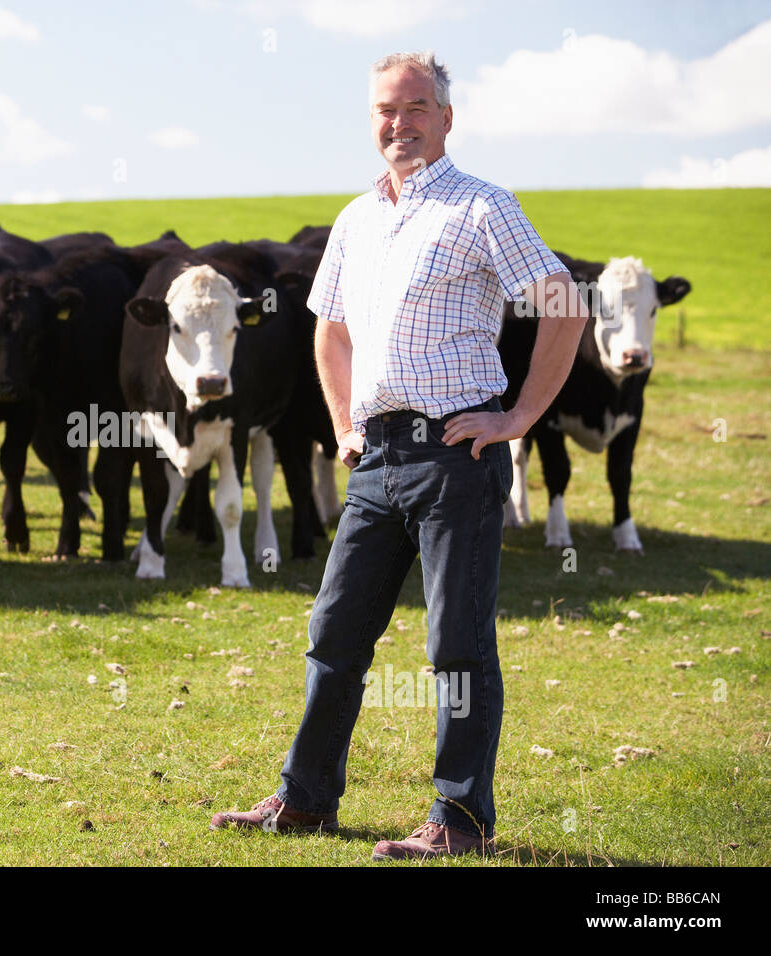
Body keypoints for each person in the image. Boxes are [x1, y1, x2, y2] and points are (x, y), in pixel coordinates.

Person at [210, 51, 589, 860]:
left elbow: (565, 305)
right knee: (333, 633)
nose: (400, 122)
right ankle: (306, 801)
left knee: (455, 643)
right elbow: (330, 328)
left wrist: (519, 414)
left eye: (416, 107)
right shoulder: (355, 219)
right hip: (376, 462)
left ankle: (459, 820)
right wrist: (345, 424)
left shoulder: (483, 207)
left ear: (447, 118)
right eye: (387, 109)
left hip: (458, 455)